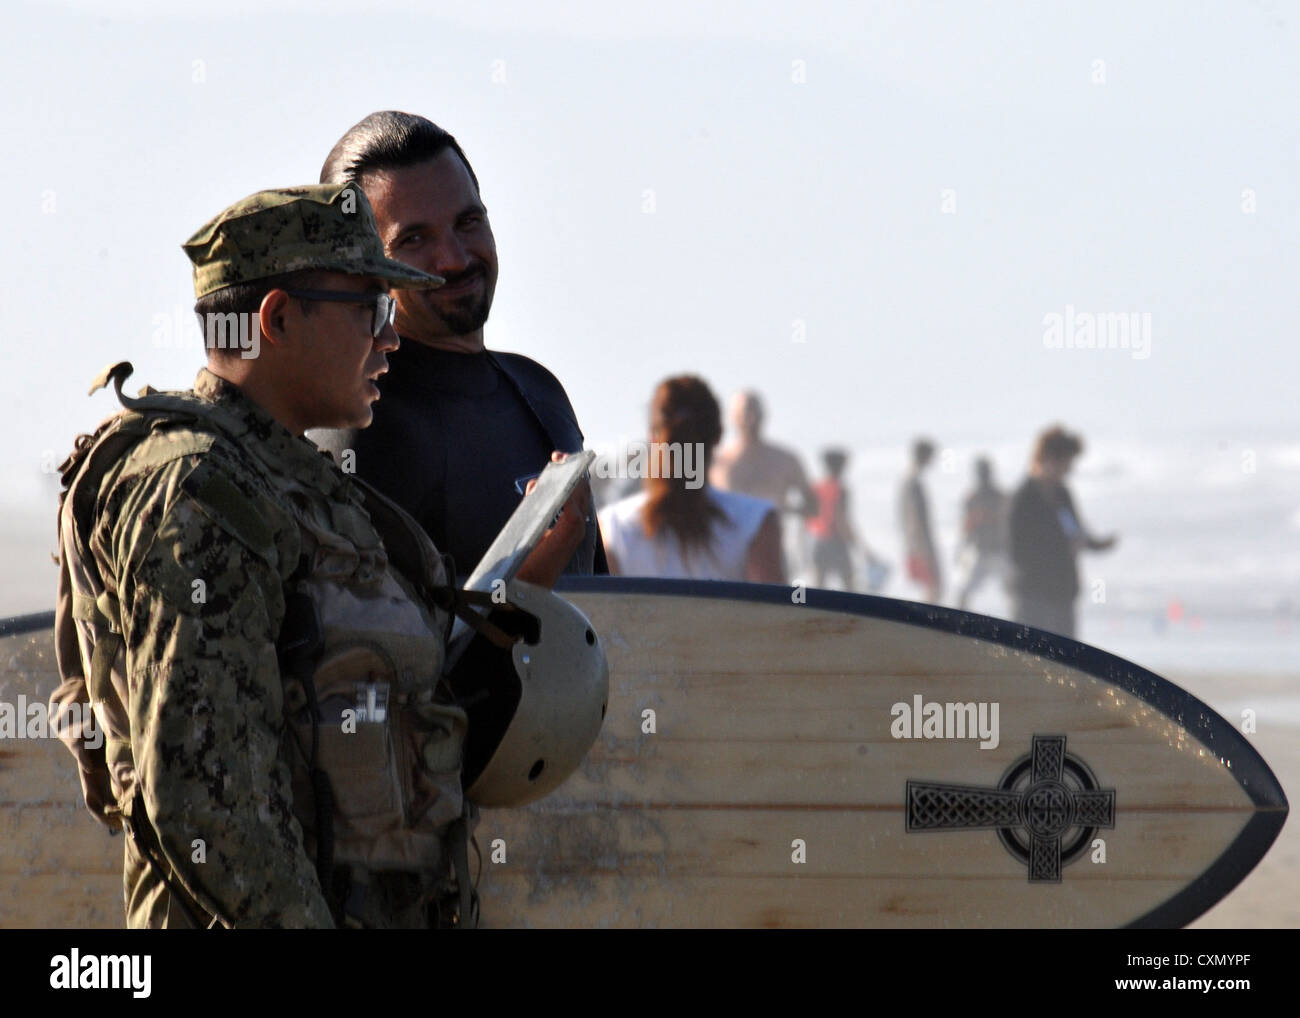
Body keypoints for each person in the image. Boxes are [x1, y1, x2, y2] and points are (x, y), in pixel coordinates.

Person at [48, 183, 599, 929]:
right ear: (276, 319)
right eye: (370, 312)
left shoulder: (297, 485)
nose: (391, 339)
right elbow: (206, 798)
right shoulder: (202, 492)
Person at [311, 111, 606, 584]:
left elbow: (604, 622)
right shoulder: (360, 421)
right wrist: (523, 591)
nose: (454, 259)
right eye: (413, 239)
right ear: (355, 266)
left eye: (468, 222)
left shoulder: (539, 391)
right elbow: (369, 649)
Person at [600, 376, 784, 582]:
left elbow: (605, 611)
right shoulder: (756, 522)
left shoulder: (614, 527)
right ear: (718, 436)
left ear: (652, 436)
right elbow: (773, 612)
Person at [1007, 425, 1118, 638]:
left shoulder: (1062, 493)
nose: (1068, 471)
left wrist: (1099, 545)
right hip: (1032, 595)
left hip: (1063, 592)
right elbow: (1017, 551)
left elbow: (1077, 532)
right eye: (1065, 464)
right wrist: (1059, 549)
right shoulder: (1023, 499)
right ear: (1047, 458)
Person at [710, 390, 817, 577]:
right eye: (744, 413)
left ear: (763, 416)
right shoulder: (718, 462)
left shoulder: (784, 460)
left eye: (754, 412)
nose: (750, 419)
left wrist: (780, 511)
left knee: (774, 603)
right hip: (727, 553)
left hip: (771, 551)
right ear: (732, 417)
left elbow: (813, 505)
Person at [955, 456, 1009, 610]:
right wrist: (962, 551)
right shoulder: (972, 498)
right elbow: (967, 527)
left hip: (999, 551)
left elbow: (1009, 525)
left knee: (1015, 592)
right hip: (980, 551)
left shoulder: (1000, 497)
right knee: (963, 592)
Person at [807, 448, 860, 590]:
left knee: (819, 583)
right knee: (849, 582)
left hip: (818, 539)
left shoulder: (816, 487)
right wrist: (855, 541)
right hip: (836, 540)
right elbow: (841, 518)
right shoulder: (840, 489)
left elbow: (807, 516)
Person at [898, 437, 942, 603]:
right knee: (934, 586)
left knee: (932, 587)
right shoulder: (913, 482)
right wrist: (921, 548)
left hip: (916, 541)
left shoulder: (909, 479)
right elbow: (913, 518)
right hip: (920, 542)